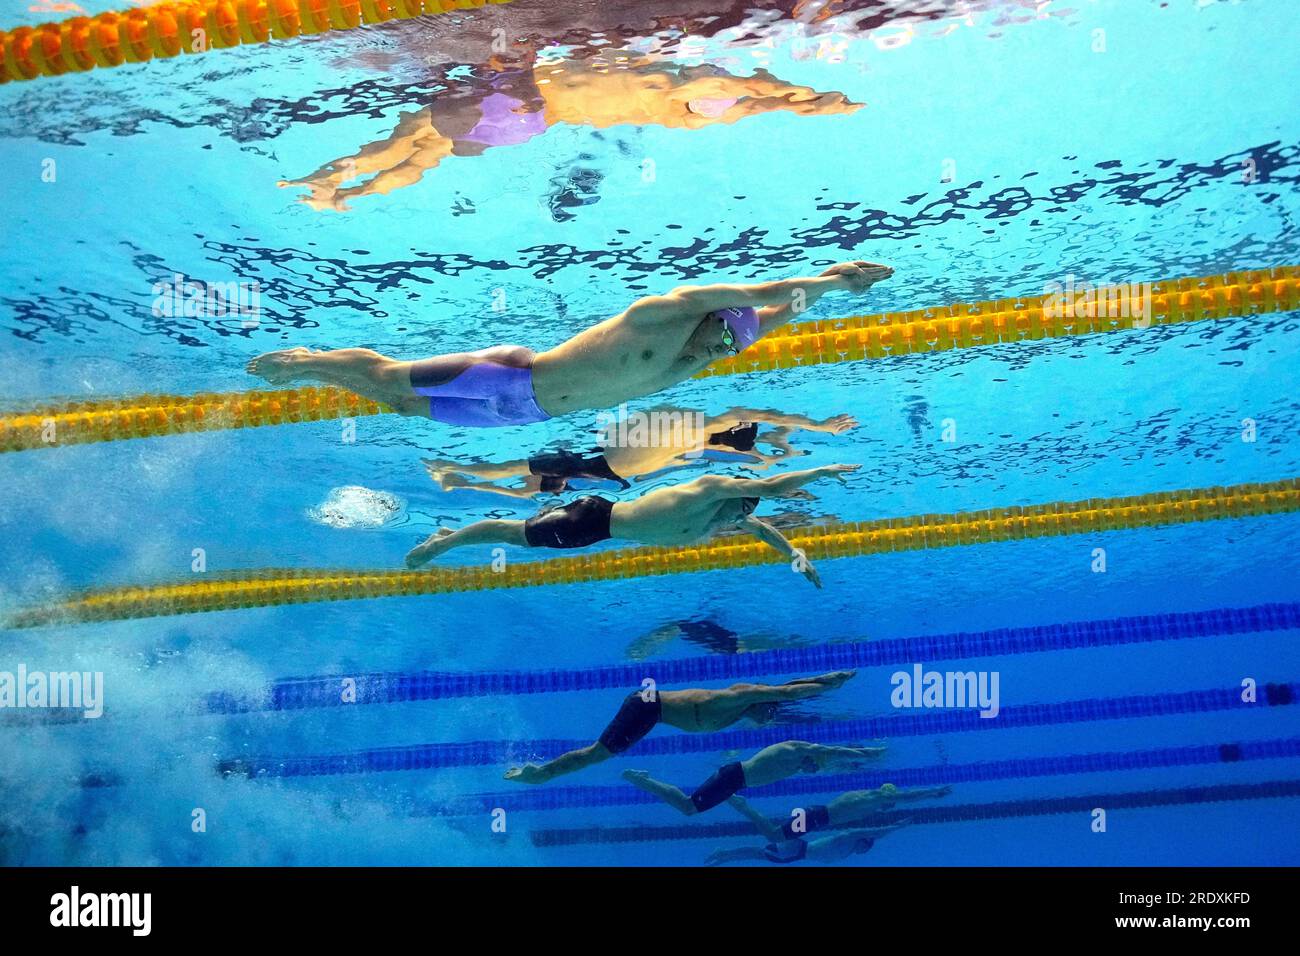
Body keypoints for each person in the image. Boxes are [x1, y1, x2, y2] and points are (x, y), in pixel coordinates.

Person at [245, 262, 893, 428]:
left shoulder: (708, 346)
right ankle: (311, 360)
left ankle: (327, 375)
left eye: (730, 346)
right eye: (723, 334)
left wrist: (834, 292)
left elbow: (780, 311)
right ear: (712, 316)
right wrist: (827, 274)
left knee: (401, 408)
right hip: (509, 378)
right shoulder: (659, 314)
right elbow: (768, 289)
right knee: (391, 379)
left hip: (532, 414)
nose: (719, 351)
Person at [402, 464, 857, 582]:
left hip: (598, 532)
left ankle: (447, 537)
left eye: (744, 516)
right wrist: (821, 472)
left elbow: (765, 531)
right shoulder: (709, 491)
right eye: (742, 510)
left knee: (517, 538)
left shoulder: (729, 516)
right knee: (512, 536)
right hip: (593, 519)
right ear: (735, 498)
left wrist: (797, 556)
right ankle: (441, 542)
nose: (743, 520)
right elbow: (775, 486)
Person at [423, 406, 859, 499]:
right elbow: (759, 446)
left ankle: (452, 469)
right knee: (531, 488)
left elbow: (752, 412)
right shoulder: (702, 445)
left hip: (600, 465)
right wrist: (794, 445)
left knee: (517, 468)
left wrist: (818, 424)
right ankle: (459, 479)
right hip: (615, 475)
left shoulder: (700, 430)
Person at [504, 670, 856, 784]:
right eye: (770, 714)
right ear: (762, 704)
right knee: (597, 754)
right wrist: (828, 683)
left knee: (598, 755)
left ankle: (540, 773)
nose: (769, 721)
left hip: (651, 712)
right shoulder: (740, 697)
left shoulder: (740, 715)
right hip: (646, 705)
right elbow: (786, 689)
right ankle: (539, 774)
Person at [621, 739, 887, 817]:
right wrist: (868, 754)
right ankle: (643, 780)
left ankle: (644, 780)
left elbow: (831, 760)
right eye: (815, 767)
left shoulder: (799, 763)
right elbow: (833, 751)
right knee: (688, 807)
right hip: (732, 777)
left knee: (689, 807)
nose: (814, 770)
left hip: (736, 781)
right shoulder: (796, 750)